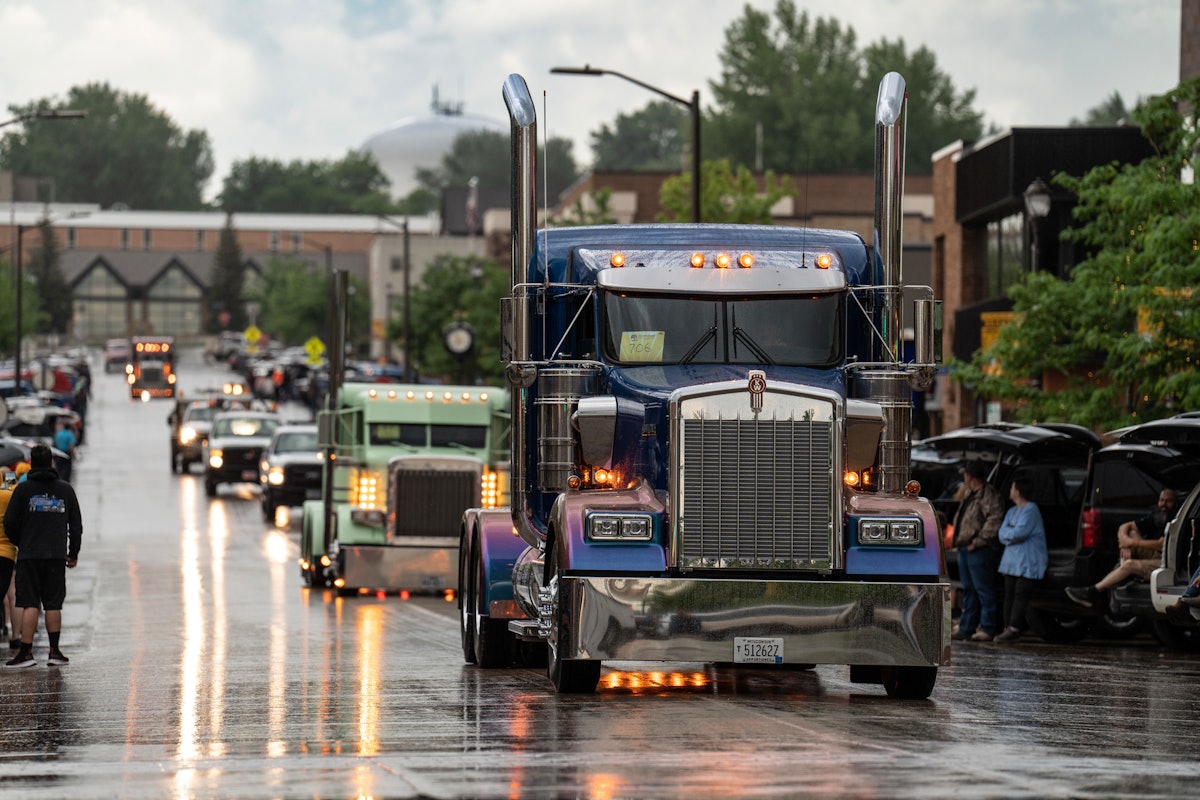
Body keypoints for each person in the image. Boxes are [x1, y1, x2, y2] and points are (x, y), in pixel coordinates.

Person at [3, 445, 83, 669]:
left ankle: (26, 653)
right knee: (53, 603)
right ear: (51, 463)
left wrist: (22, 542)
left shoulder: (22, 489)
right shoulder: (65, 490)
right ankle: (54, 652)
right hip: (56, 556)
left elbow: (9, 523)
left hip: (29, 556)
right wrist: (72, 553)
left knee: (29, 603)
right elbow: (76, 525)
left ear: (31, 462)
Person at [1066, 488, 1179, 608]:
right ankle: (1124, 577)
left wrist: (1132, 543)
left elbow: (1161, 544)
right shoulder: (1157, 515)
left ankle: (1093, 592)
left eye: (1168, 501)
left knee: (1129, 563)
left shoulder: (1175, 519)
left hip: (1165, 561)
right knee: (1131, 532)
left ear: (1175, 503)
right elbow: (1125, 526)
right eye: (1161, 500)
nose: (1164, 504)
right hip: (1155, 553)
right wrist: (1125, 544)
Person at [951, 461, 1006, 642]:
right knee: (969, 590)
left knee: (984, 589)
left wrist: (978, 542)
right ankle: (967, 627)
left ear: (970, 476)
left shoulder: (988, 495)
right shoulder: (970, 494)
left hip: (979, 550)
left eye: (965, 475)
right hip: (965, 548)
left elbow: (994, 520)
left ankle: (988, 628)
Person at [994, 477, 1047, 643]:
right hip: (1011, 561)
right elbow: (1001, 533)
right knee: (1009, 593)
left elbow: (1020, 533)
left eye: (1012, 487)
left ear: (1018, 491)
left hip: (1027, 560)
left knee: (1020, 593)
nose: (1010, 491)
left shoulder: (1031, 509)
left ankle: (1014, 627)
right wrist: (1012, 536)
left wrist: (1011, 535)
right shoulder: (1011, 511)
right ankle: (1006, 626)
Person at [0, 468, 18, 651]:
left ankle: (5, 624)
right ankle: (16, 635)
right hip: (8, 553)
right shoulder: (10, 495)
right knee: (12, 594)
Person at [53, 418, 78, 483]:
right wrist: (73, 455)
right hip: (67, 453)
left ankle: (59, 480)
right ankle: (66, 482)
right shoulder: (70, 434)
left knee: (59, 468)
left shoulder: (59, 434)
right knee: (67, 469)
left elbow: (55, 443)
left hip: (59, 453)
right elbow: (71, 446)